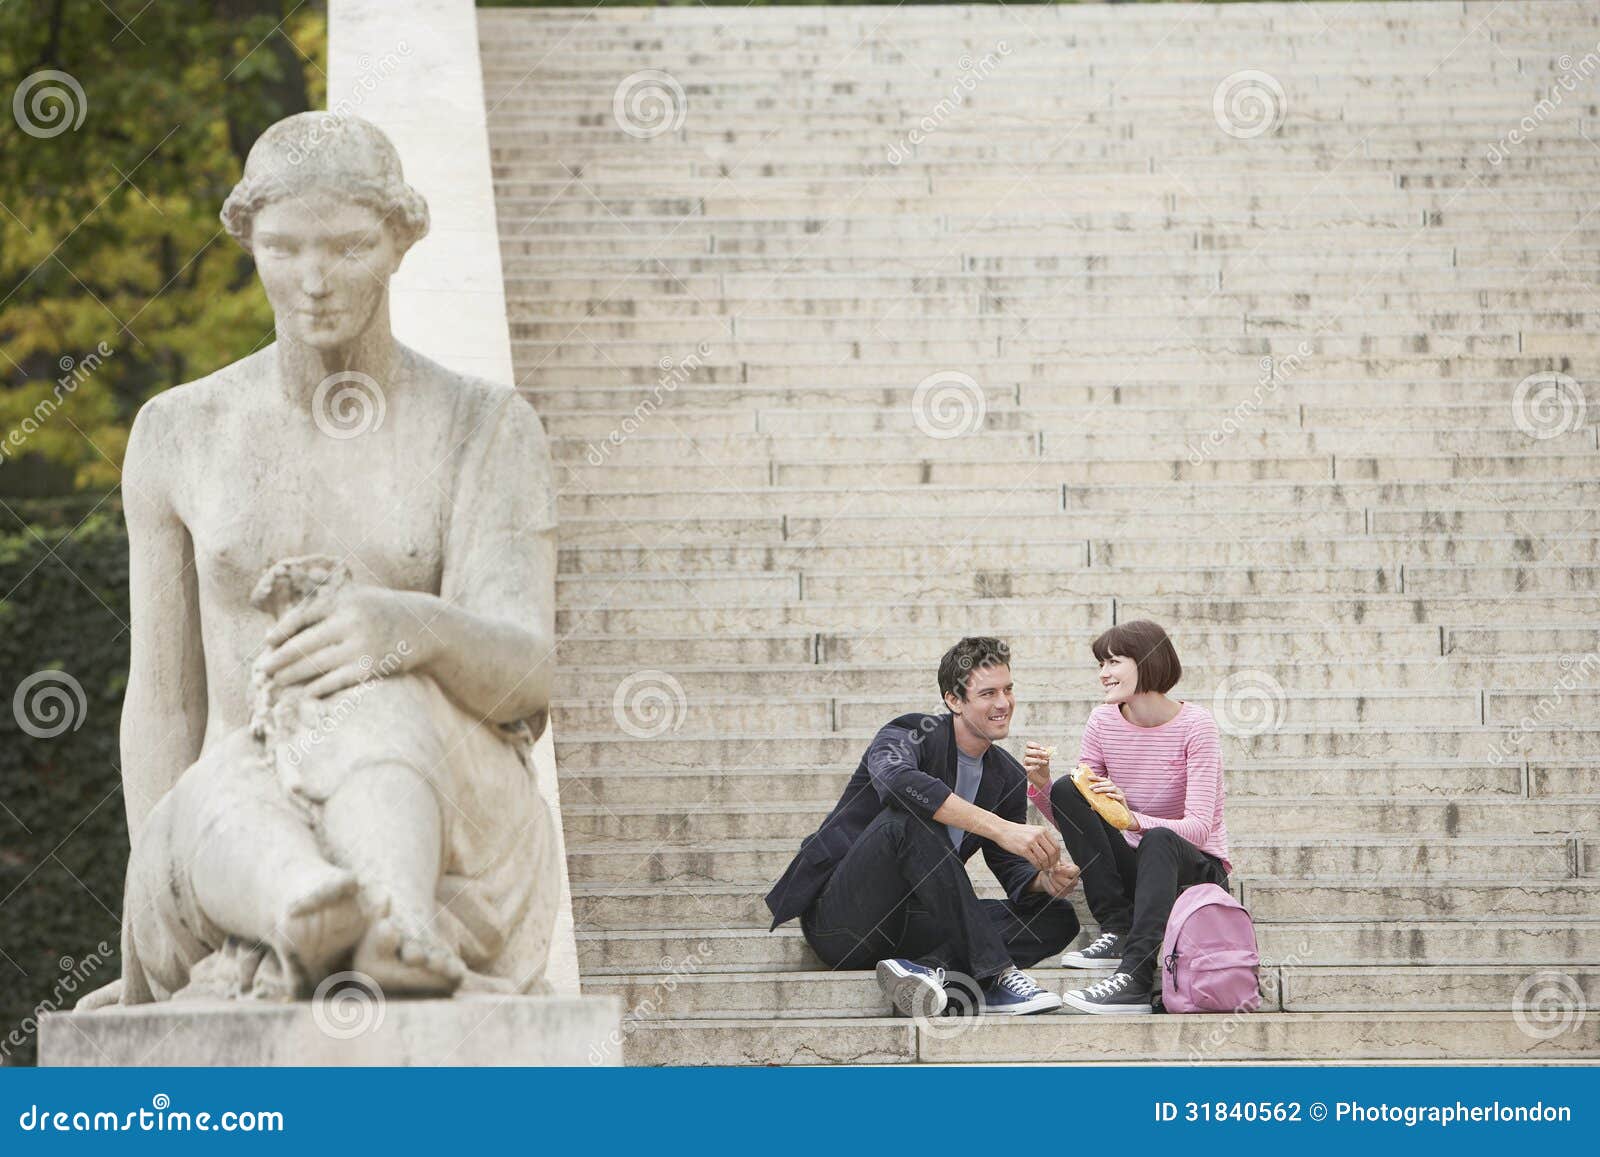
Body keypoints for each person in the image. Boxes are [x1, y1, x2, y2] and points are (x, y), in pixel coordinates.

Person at [765, 637, 1080, 1017]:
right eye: (988, 693)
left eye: (1008, 689)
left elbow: (1010, 866)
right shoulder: (908, 733)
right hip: (845, 921)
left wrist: (1042, 882)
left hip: (916, 925)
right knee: (909, 818)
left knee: (1057, 918)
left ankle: (928, 972)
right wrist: (999, 827)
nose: (1003, 703)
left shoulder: (1006, 776)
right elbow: (897, 780)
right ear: (954, 700)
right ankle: (993, 977)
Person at [1023, 620, 1232, 1014]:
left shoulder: (1196, 725)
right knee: (1071, 787)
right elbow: (1079, 813)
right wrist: (1043, 786)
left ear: (1148, 662)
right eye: (1101, 664)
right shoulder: (1103, 721)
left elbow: (1200, 828)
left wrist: (1134, 819)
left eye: (1113, 662)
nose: (1104, 674)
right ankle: (1118, 928)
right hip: (1140, 869)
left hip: (1193, 869)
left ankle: (1135, 978)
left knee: (1158, 839)